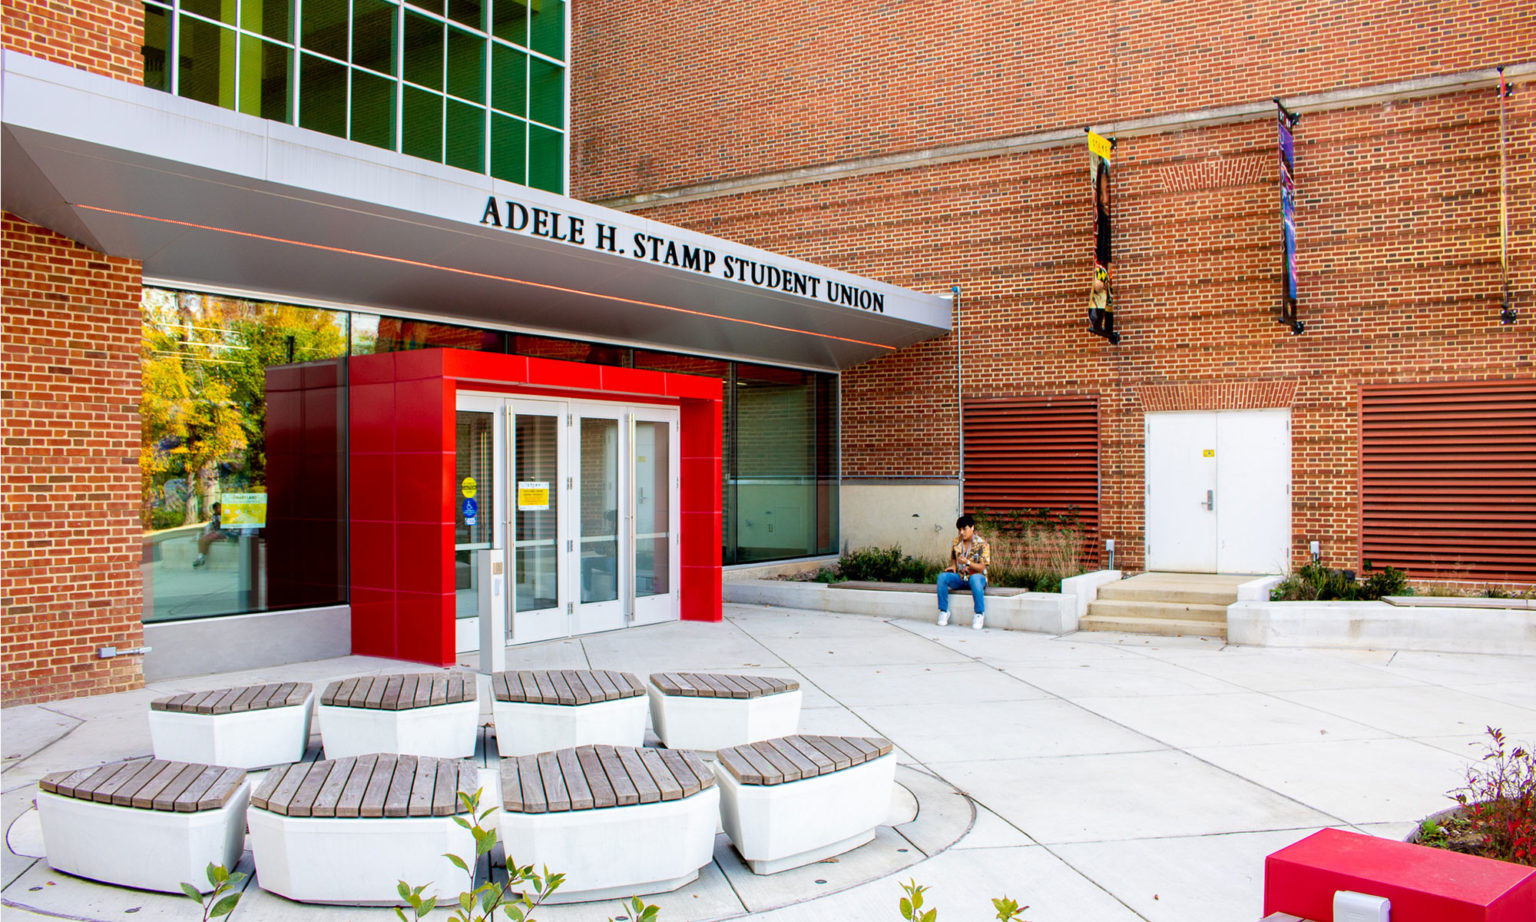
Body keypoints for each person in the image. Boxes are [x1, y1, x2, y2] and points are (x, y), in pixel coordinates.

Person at [936, 513, 990, 630]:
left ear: (972, 528)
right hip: (961, 578)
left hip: (977, 578)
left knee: (975, 579)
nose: (962, 532)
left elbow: (982, 567)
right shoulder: (956, 541)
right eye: (959, 529)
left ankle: (979, 613)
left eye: (964, 529)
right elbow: (953, 555)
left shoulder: (982, 544)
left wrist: (968, 562)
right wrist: (953, 566)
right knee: (942, 577)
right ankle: (944, 611)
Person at [193, 502, 228, 568]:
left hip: (223, 532)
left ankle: (201, 558)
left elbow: (225, 526)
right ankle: (200, 557)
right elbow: (214, 525)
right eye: (217, 509)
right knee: (201, 540)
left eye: (219, 508)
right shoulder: (215, 516)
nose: (219, 510)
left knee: (207, 539)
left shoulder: (226, 515)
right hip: (216, 531)